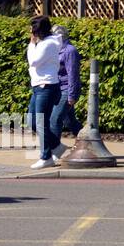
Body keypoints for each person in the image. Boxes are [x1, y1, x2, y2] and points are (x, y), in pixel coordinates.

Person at [25, 16, 62, 169]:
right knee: (32, 122)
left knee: (41, 122)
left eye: (33, 30)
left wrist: (31, 44)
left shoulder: (48, 44)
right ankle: (56, 146)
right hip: (38, 86)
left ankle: (46, 157)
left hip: (46, 86)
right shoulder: (44, 42)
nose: (31, 33)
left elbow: (33, 61)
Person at [49, 25, 82, 155]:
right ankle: (88, 142)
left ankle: (54, 151)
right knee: (70, 121)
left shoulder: (70, 51)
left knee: (55, 119)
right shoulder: (55, 49)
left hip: (66, 90)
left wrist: (72, 95)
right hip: (57, 89)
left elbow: (73, 74)